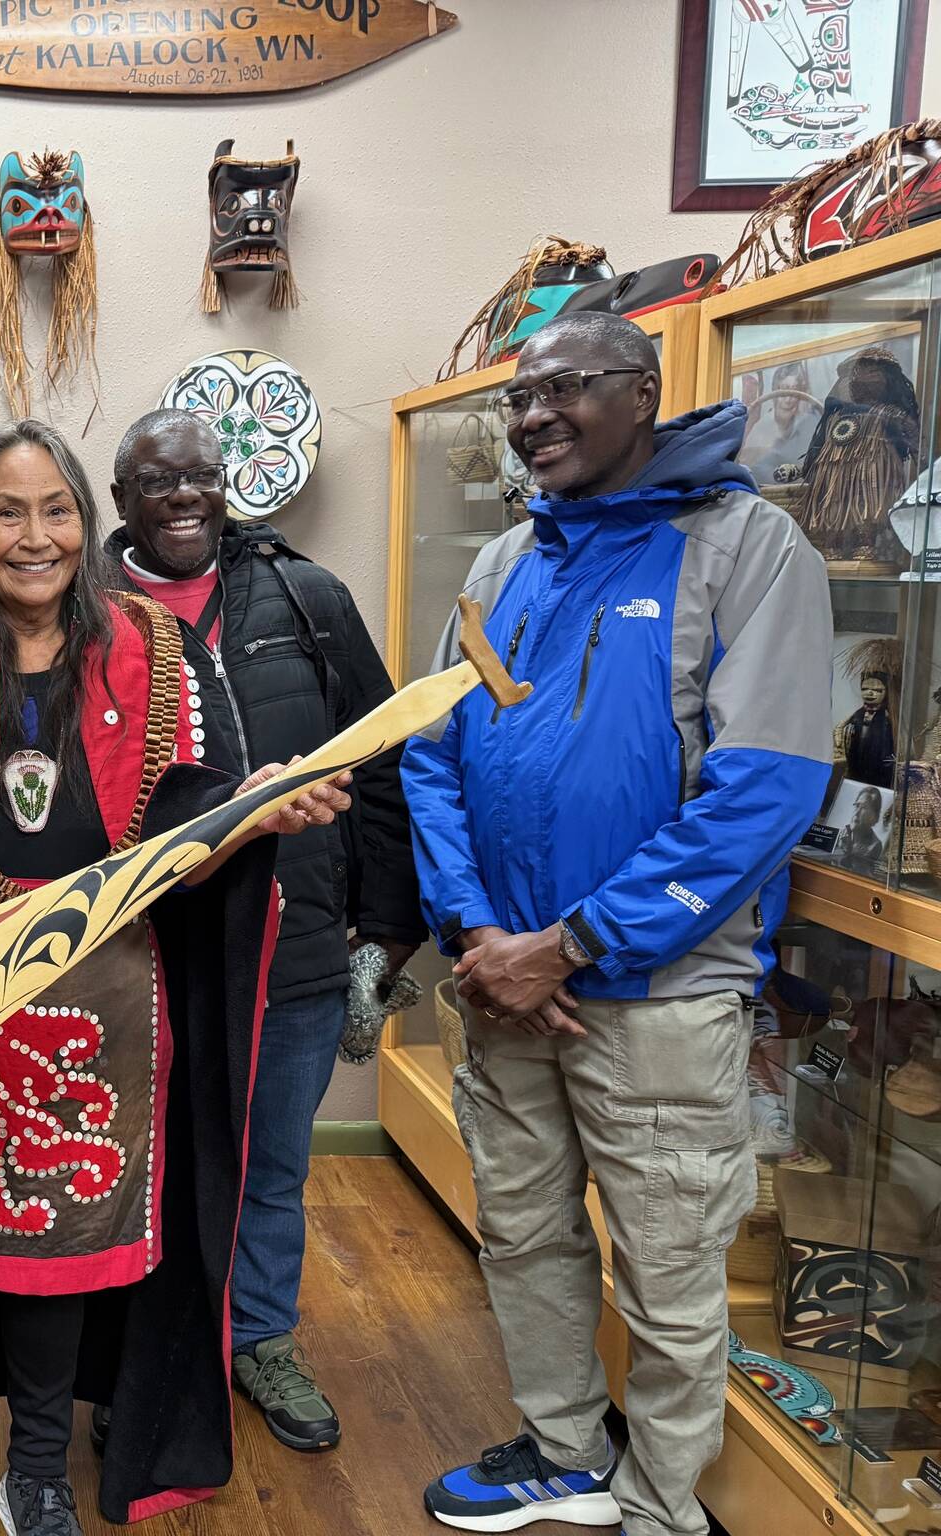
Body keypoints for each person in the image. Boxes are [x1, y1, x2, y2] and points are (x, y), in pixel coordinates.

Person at [0, 419, 351, 1536]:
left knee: (66, 1260)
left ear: (88, 521)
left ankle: (38, 1471)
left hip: (102, 1019)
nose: (33, 536)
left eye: (56, 510)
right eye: (7, 511)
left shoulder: (157, 653)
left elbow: (182, 846)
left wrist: (253, 811)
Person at [403, 312, 831, 1536]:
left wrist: (574, 944)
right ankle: (561, 1451)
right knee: (520, 1234)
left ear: (641, 393)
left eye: (566, 388)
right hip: (501, 987)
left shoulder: (744, 549)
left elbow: (763, 788)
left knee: (668, 1271)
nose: (533, 416)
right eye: (518, 398)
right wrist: (475, 933)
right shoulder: (505, 563)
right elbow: (431, 756)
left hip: (653, 1000)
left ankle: (658, 1503)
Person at [104, 408, 424, 1452]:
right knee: (139, 1167)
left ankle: (260, 1337)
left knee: (272, 1164)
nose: (183, 497)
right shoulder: (81, 609)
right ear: (120, 498)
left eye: (200, 476)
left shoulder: (304, 596)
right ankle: (134, 1362)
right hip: (140, 957)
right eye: (158, 481)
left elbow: (381, 759)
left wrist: (386, 931)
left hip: (296, 945)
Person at [834, 784, 887, 877]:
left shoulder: (874, 846)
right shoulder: (841, 834)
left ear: (873, 817)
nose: (857, 812)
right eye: (857, 805)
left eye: (864, 808)